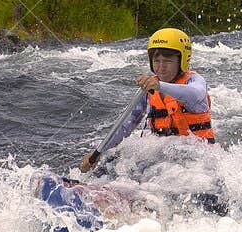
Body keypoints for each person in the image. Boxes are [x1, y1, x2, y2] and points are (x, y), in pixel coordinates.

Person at [80, 28, 214, 172]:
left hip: (199, 161)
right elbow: (126, 126)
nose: (161, 67)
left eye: (167, 61)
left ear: (182, 61)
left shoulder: (194, 81)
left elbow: (194, 94)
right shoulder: (148, 89)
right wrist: (99, 153)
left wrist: (159, 85)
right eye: (156, 61)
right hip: (164, 159)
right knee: (114, 162)